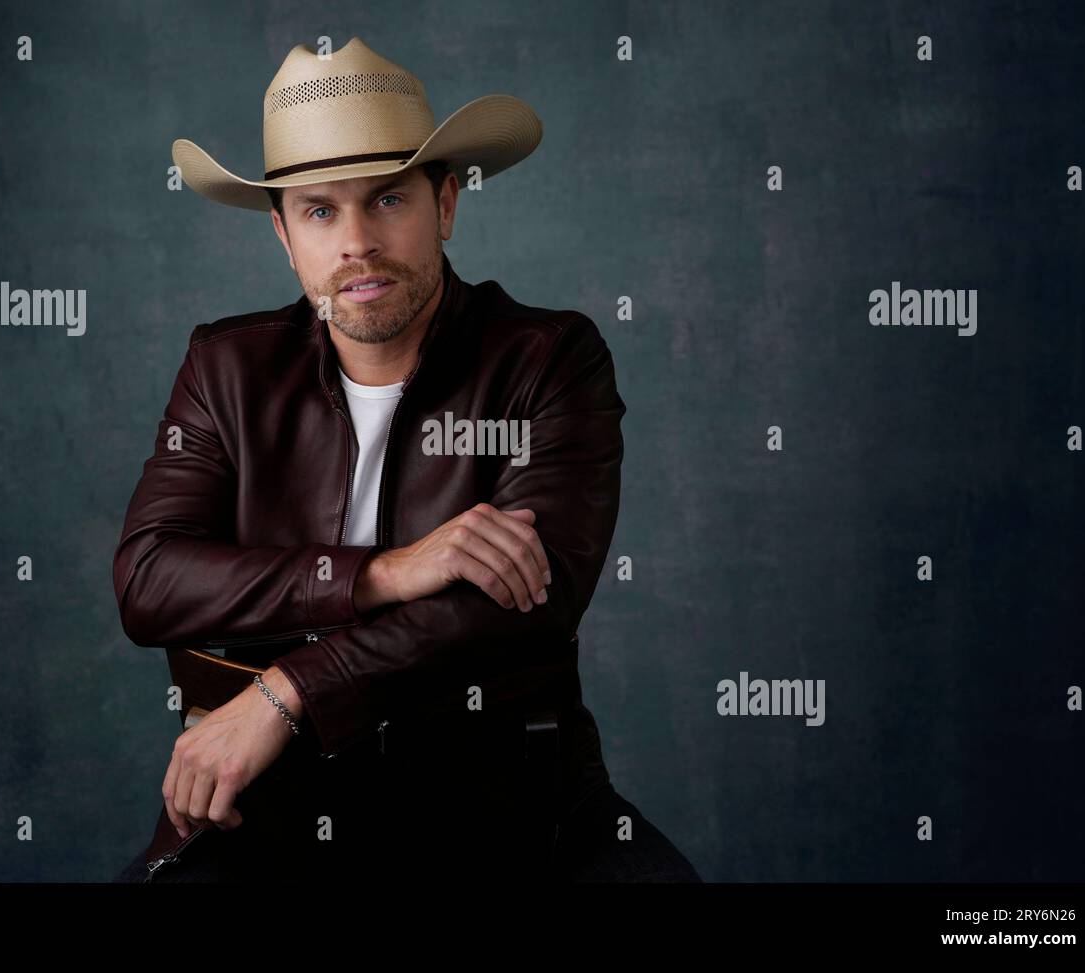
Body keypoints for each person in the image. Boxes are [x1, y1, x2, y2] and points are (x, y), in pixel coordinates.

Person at [110, 36, 700, 884]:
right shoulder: (226, 369)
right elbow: (148, 579)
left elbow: (525, 602)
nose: (357, 243)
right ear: (282, 236)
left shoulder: (548, 359)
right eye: (320, 211)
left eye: (387, 199)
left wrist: (286, 692)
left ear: (447, 203)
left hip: (511, 793)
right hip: (272, 801)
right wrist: (382, 573)